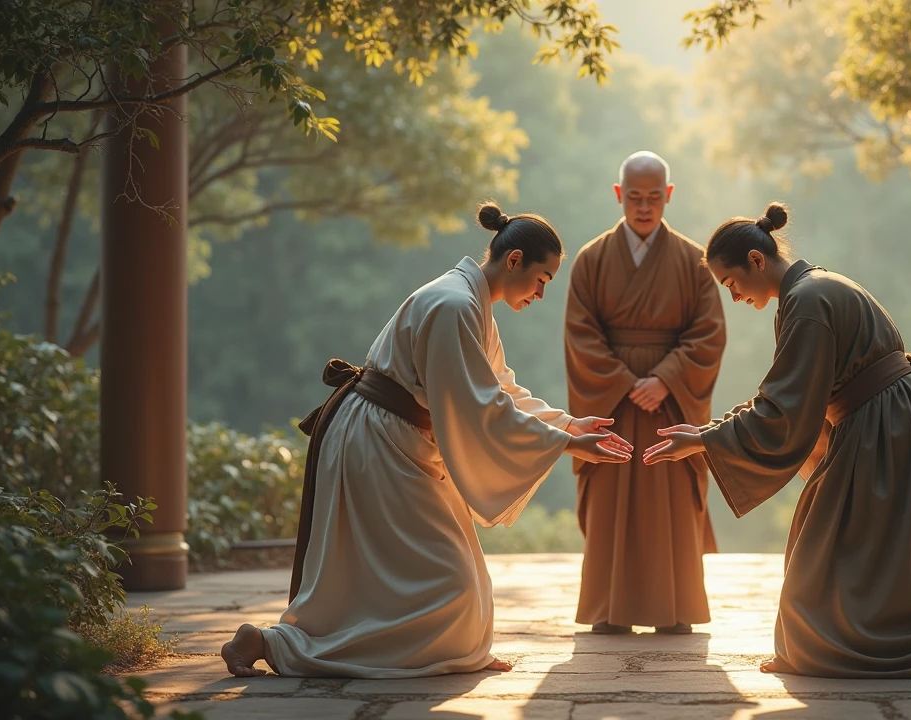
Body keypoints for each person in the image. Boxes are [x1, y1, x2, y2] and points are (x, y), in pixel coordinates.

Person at [220, 202, 633, 679]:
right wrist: (564, 442)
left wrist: (566, 424)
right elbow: (482, 406)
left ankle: (442, 652)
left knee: (461, 579)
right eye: (543, 278)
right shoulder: (456, 305)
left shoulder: (473, 305)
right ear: (514, 260)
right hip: (378, 442)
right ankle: (281, 647)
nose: (542, 293)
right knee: (451, 583)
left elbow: (501, 388)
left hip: (398, 439)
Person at [644, 202, 911, 678]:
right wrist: (709, 435)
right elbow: (790, 394)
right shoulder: (814, 289)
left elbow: (783, 407)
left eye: (732, 284)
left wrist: (706, 439)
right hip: (892, 420)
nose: (735, 297)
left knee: (822, 554)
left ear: (755, 259)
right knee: (881, 555)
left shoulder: (806, 302)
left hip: (883, 425)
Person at [565, 151, 726, 635]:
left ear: (668, 196)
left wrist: (666, 379)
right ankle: (609, 608)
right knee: (611, 493)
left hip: (668, 402)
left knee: (671, 499)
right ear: (619, 195)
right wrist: (621, 381)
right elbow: (580, 332)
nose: (643, 207)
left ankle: (674, 609)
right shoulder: (592, 259)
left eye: (653, 197)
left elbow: (709, 332)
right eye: (634, 197)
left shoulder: (692, 261)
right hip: (612, 403)